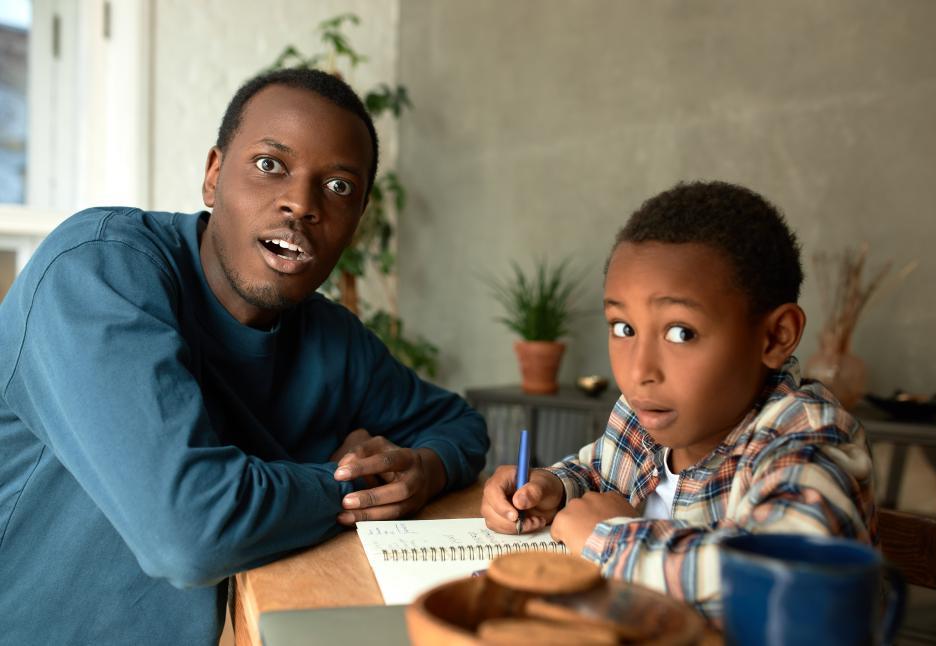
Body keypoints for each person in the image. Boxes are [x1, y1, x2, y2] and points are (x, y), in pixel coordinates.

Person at [0, 68, 488, 644]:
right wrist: (351, 486)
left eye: (338, 187)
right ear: (213, 176)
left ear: (355, 223)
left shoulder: (331, 337)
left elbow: (457, 424)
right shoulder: (99, 271)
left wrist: (423, 471)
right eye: (269, 164)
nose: (300, 204)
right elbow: (189, 532)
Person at [481, 180, 876, 619]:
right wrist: (551, 488)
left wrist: (609, 538)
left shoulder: (807, 437)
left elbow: (795, 581)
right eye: (623, 328)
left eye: (681, 332)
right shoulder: (644, 413)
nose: (639, 371)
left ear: (774, 337)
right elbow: (597, 472)